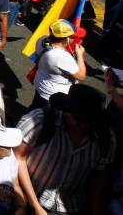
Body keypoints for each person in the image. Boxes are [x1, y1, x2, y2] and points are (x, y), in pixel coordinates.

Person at [16, 84, 116, 215]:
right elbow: (17, 158)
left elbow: (98, 180)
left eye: (89, 121)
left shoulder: (106, 140)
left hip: (71, 207)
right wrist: (34, 205)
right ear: (65, 111)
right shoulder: (40, 121)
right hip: (28, 199)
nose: (82, 125)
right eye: (78, 119)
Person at [30, 19, 86, 109]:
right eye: (73, 36)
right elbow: (81, 76)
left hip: (42, 85)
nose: (75, 38)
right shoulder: (61, 57)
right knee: (46, 115)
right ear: (67, 39)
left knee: (35, 108)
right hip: (52, 95)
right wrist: (80, 55)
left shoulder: (42, 39)